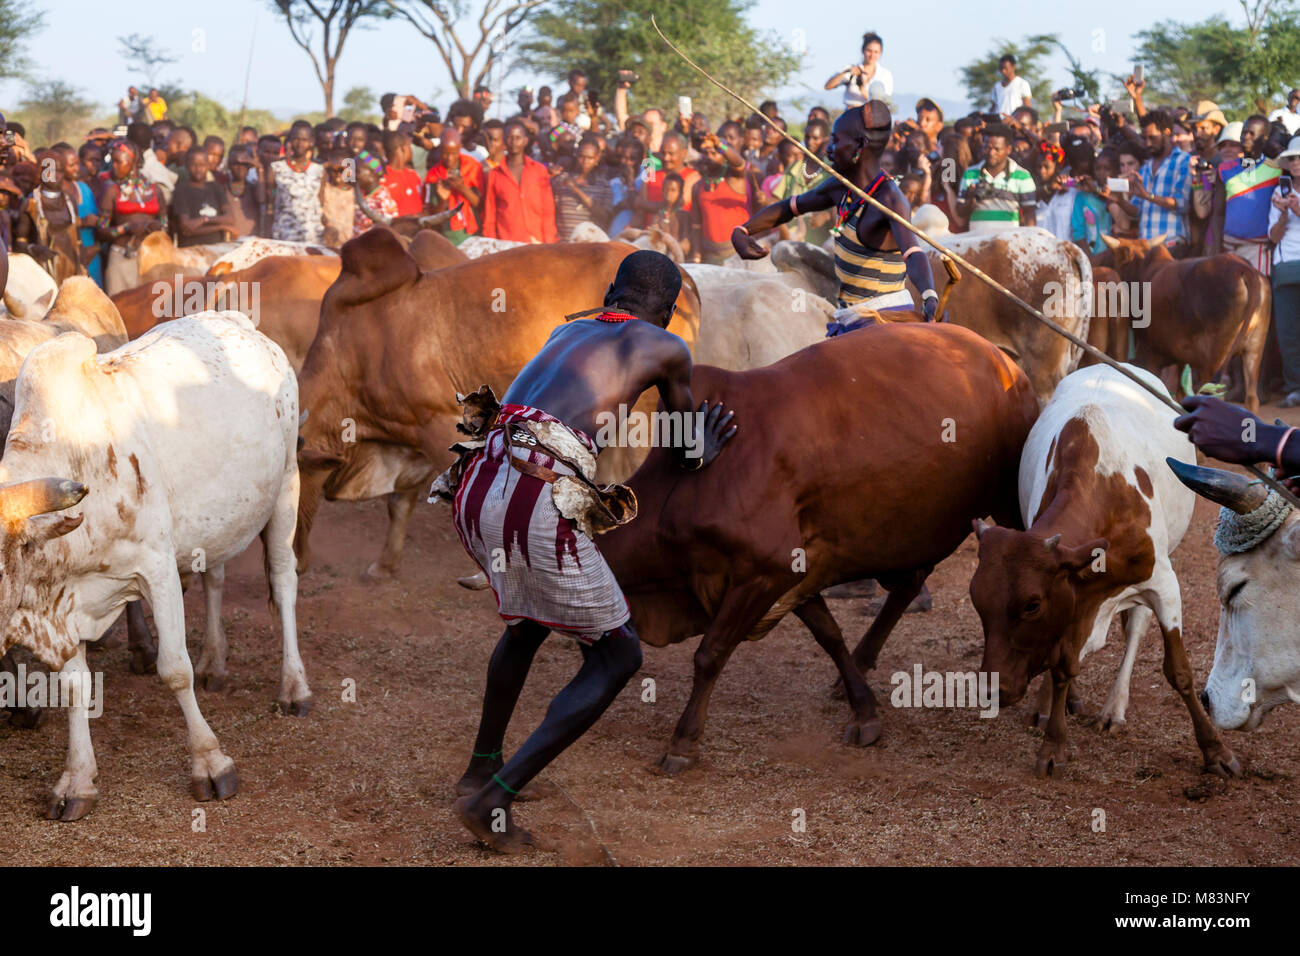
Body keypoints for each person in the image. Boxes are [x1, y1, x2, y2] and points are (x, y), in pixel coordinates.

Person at [441, 250, 735, 853]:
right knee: (618, 657)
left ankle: (481, 766)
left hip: (476, 480)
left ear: (609, 292)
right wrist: (706, 443)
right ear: (671, 312)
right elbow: (684, 453)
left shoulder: (568, 326)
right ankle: (493, 797)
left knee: (526, 624)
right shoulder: (666, 347)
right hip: (537, 490)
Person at [732, 101, 940, 327]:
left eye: (836, 140)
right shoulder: (839, 187)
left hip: (883, 318)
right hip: (852, 317)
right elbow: (788, 208)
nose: (828, 148)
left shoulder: (890, 199)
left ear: (860, 145)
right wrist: (744, 230)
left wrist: (929, 294)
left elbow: (913, 253)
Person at [1209, 115, 1281, 272]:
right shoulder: (1225, 169)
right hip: (1228, 246)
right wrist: (1216, 247)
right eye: (1243, 133)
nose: (1246, 137)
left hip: (1257, 248)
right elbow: (1218, 213)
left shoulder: (1277, 171)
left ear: (1265, 138)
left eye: (1252, 134)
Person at [98, 140, 166, 294]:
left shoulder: (155, 191)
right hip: (121, 258)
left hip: (151, 258)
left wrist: (156, 226)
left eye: (118, 162)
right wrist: (126, 228)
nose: (114, 166)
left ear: (133, 162)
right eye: (113, 161)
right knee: (120, 308)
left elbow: (165, 222)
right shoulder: (112, 192)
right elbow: (101, 230)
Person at [14, 148, 85, 283]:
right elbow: (18, 243)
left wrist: (83, 269)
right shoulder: (31, 204)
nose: (55, 175)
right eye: (50, 170)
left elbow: (78, 241)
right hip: (42, 274)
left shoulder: (70, 201)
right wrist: (34, 249)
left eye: (59, 171)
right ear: (41, 172)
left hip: (70, 271)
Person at [482, 118, 556, 243]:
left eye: (518, 138)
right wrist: (491, 245)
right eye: (510, 137)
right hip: (507, 245)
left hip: (536, 243)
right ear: (504, 140)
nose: (514, 142)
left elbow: (548, 211)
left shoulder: (538, 171)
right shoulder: (495, 175)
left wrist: (549, 243)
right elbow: (490, 215)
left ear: (525, 141)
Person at [1129, 109, 1191, 252]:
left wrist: (1148, 196)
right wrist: (1118, 199)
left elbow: (1181, 204)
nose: (1148, 143)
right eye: (1144, 139)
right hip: (1145, 247)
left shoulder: (1183, 160)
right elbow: (1136, 210)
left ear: (1167, 133)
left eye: (1152, 138)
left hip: (1172, 245)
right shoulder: (1145, 167)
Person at [954, 124, 1037, 232]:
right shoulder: (970, 174)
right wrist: (971, 199)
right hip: (977, 243)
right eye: (987, 147)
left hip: (1008, 243)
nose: (991, 153)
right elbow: (960, 213)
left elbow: (1029, 214)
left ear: (1009, 149)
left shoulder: (1023, 176)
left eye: (997, 149)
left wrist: (1030, 238)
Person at [1268, 136, 1300, 406]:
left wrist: (1296, 208)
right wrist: (1282, 213)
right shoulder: (1278, 195)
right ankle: (1294, 388)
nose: (1296, 162)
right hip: (1286, 267)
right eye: (1292, 158)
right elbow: (1274, 237)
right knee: (1288, 333)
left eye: (1299, 157)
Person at [690, 133, 751, 264]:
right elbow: (696, 225)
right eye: (706, 153)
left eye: (714, 153)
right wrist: (697, 254)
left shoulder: (734, 178)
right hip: (710, 254)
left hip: (737, 252)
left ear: (724, 157)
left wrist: (720, 146)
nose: (709, 157)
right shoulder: (698, 186)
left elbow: (740, 163)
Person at [773, 118, 832, 245]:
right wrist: (782, 227)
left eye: (815, 138)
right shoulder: (795, 167)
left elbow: (840, 206)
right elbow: (776, 200)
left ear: (826, 139)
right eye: (807, 137)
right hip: (791, 239)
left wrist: (826, 215)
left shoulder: (831, 171)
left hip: (818, 242)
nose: (810, 142)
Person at [263, 120, 324, 242]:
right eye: (296, 139)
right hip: (283, 234)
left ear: (311, 142)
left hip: (312, 235)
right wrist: (266, 233)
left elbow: (320, 203)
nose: (300, 144)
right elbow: (270, 205)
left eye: (304, 140)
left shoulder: (319, 170)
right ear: (290, 141)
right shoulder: (276, 169)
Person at [424, 126, 482, 244]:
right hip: (449, 238)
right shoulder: (433, 175)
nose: (450, 159)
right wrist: (442, 200)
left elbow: (482, 206)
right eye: (445, 154)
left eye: (454, 153)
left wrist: (462, 188)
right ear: (440, 149)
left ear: (460, 148)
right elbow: (433, 218)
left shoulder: (472, 167)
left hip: (474, 235)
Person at [170, 146, 235, 247]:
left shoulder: (216, 187)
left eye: (202, 165)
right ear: (186, 166)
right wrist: (220, 226)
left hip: (217, 247)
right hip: (192, 249)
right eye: (194, 165)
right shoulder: (181, 190)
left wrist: (200, 222)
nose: (198, 169)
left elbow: (230, 218)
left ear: (208, 166)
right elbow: (187, 228)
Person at [553, 137, 612, 239]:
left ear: (597, 158)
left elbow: (604, 216)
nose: (585, 161)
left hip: (590, 246)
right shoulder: (561, 180)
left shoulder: (603, 185)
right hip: (564, 245)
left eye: (590, 158)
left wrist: (576, 189)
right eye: (581, 157)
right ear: (576, 155)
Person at [824, 32, 894, 107]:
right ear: (863, 50)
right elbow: (827, 86)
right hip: (851, 113)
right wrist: (846, 72)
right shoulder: (852, 68)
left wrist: (863, 88)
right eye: (869, 51)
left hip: (873, 114)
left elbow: (884, 102)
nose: (872, 55)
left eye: (876, 52)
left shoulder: (885, 74)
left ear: (880, 53)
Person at [222, 144, 261, 239]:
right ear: (229, 165)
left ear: (250, 165)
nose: (240, 168)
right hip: (229, 243)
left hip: (252, 243)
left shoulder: (255, 189)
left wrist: (259, 167)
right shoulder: (222, 189)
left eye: (245, 164)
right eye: (236, 163)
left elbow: (263, 199)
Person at [319, 147, 356, 247]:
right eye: (333, 170)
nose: (337, 174)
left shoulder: (354, 193)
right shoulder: (324, 189)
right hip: (326, 244)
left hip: (347, 245)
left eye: (342, 170)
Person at [380, 131, 423, 217]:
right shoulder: (382, 179)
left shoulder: (413, 175)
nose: (411, 150)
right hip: (396, 228)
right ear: (403, 149)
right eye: (409, 146)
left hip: (419, 228)